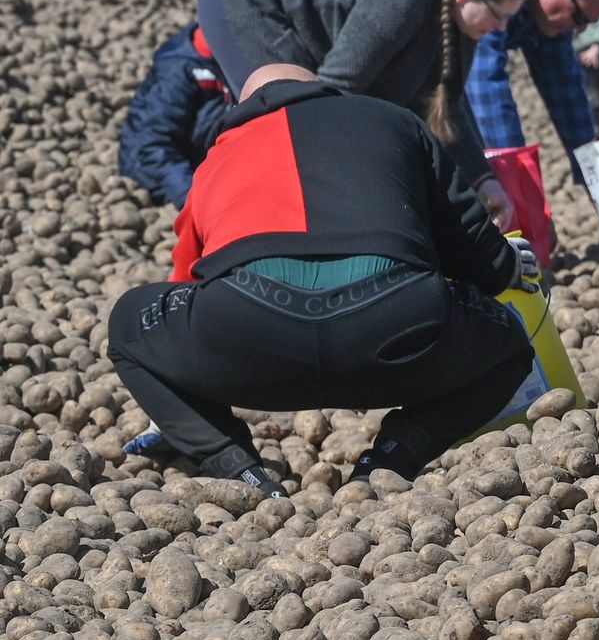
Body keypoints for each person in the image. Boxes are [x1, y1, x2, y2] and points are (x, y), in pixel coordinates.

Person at [107, 65, 539, 498]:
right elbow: (475, 251)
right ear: (322, 87)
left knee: (129, 325)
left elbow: (183, 282)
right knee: (510, 343)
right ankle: (389, 461)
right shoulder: (392, 120)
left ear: (241, 105)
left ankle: (243, 475)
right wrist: (507, 264)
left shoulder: (215, 157)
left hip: (252, 342)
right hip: (394, 332)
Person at [196, 0, 530, 227]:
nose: (501, 29)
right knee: (289, 114)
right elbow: (335, 91)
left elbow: (445, 107)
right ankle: (251, 230)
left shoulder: (457, 22)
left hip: (303, 19)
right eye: (499, 16)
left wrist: (483, 180)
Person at [377, 0, 599, 170]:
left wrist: (598, 178)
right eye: (580, 17)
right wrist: (516, 181)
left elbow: (566, 92)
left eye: (589, 23)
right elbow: (486, 88)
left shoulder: (551, 14)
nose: (580, 29)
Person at [116, 27, 230, 207]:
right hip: (175, 174)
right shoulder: (178, 71)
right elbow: (148, 148)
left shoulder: (246, 61)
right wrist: (200, 202)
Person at [574, 15, 599, 128]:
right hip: (585, 47)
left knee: (590, 89)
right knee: (590, 88)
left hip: (589, 49)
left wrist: (597, 45)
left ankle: (594, 128)